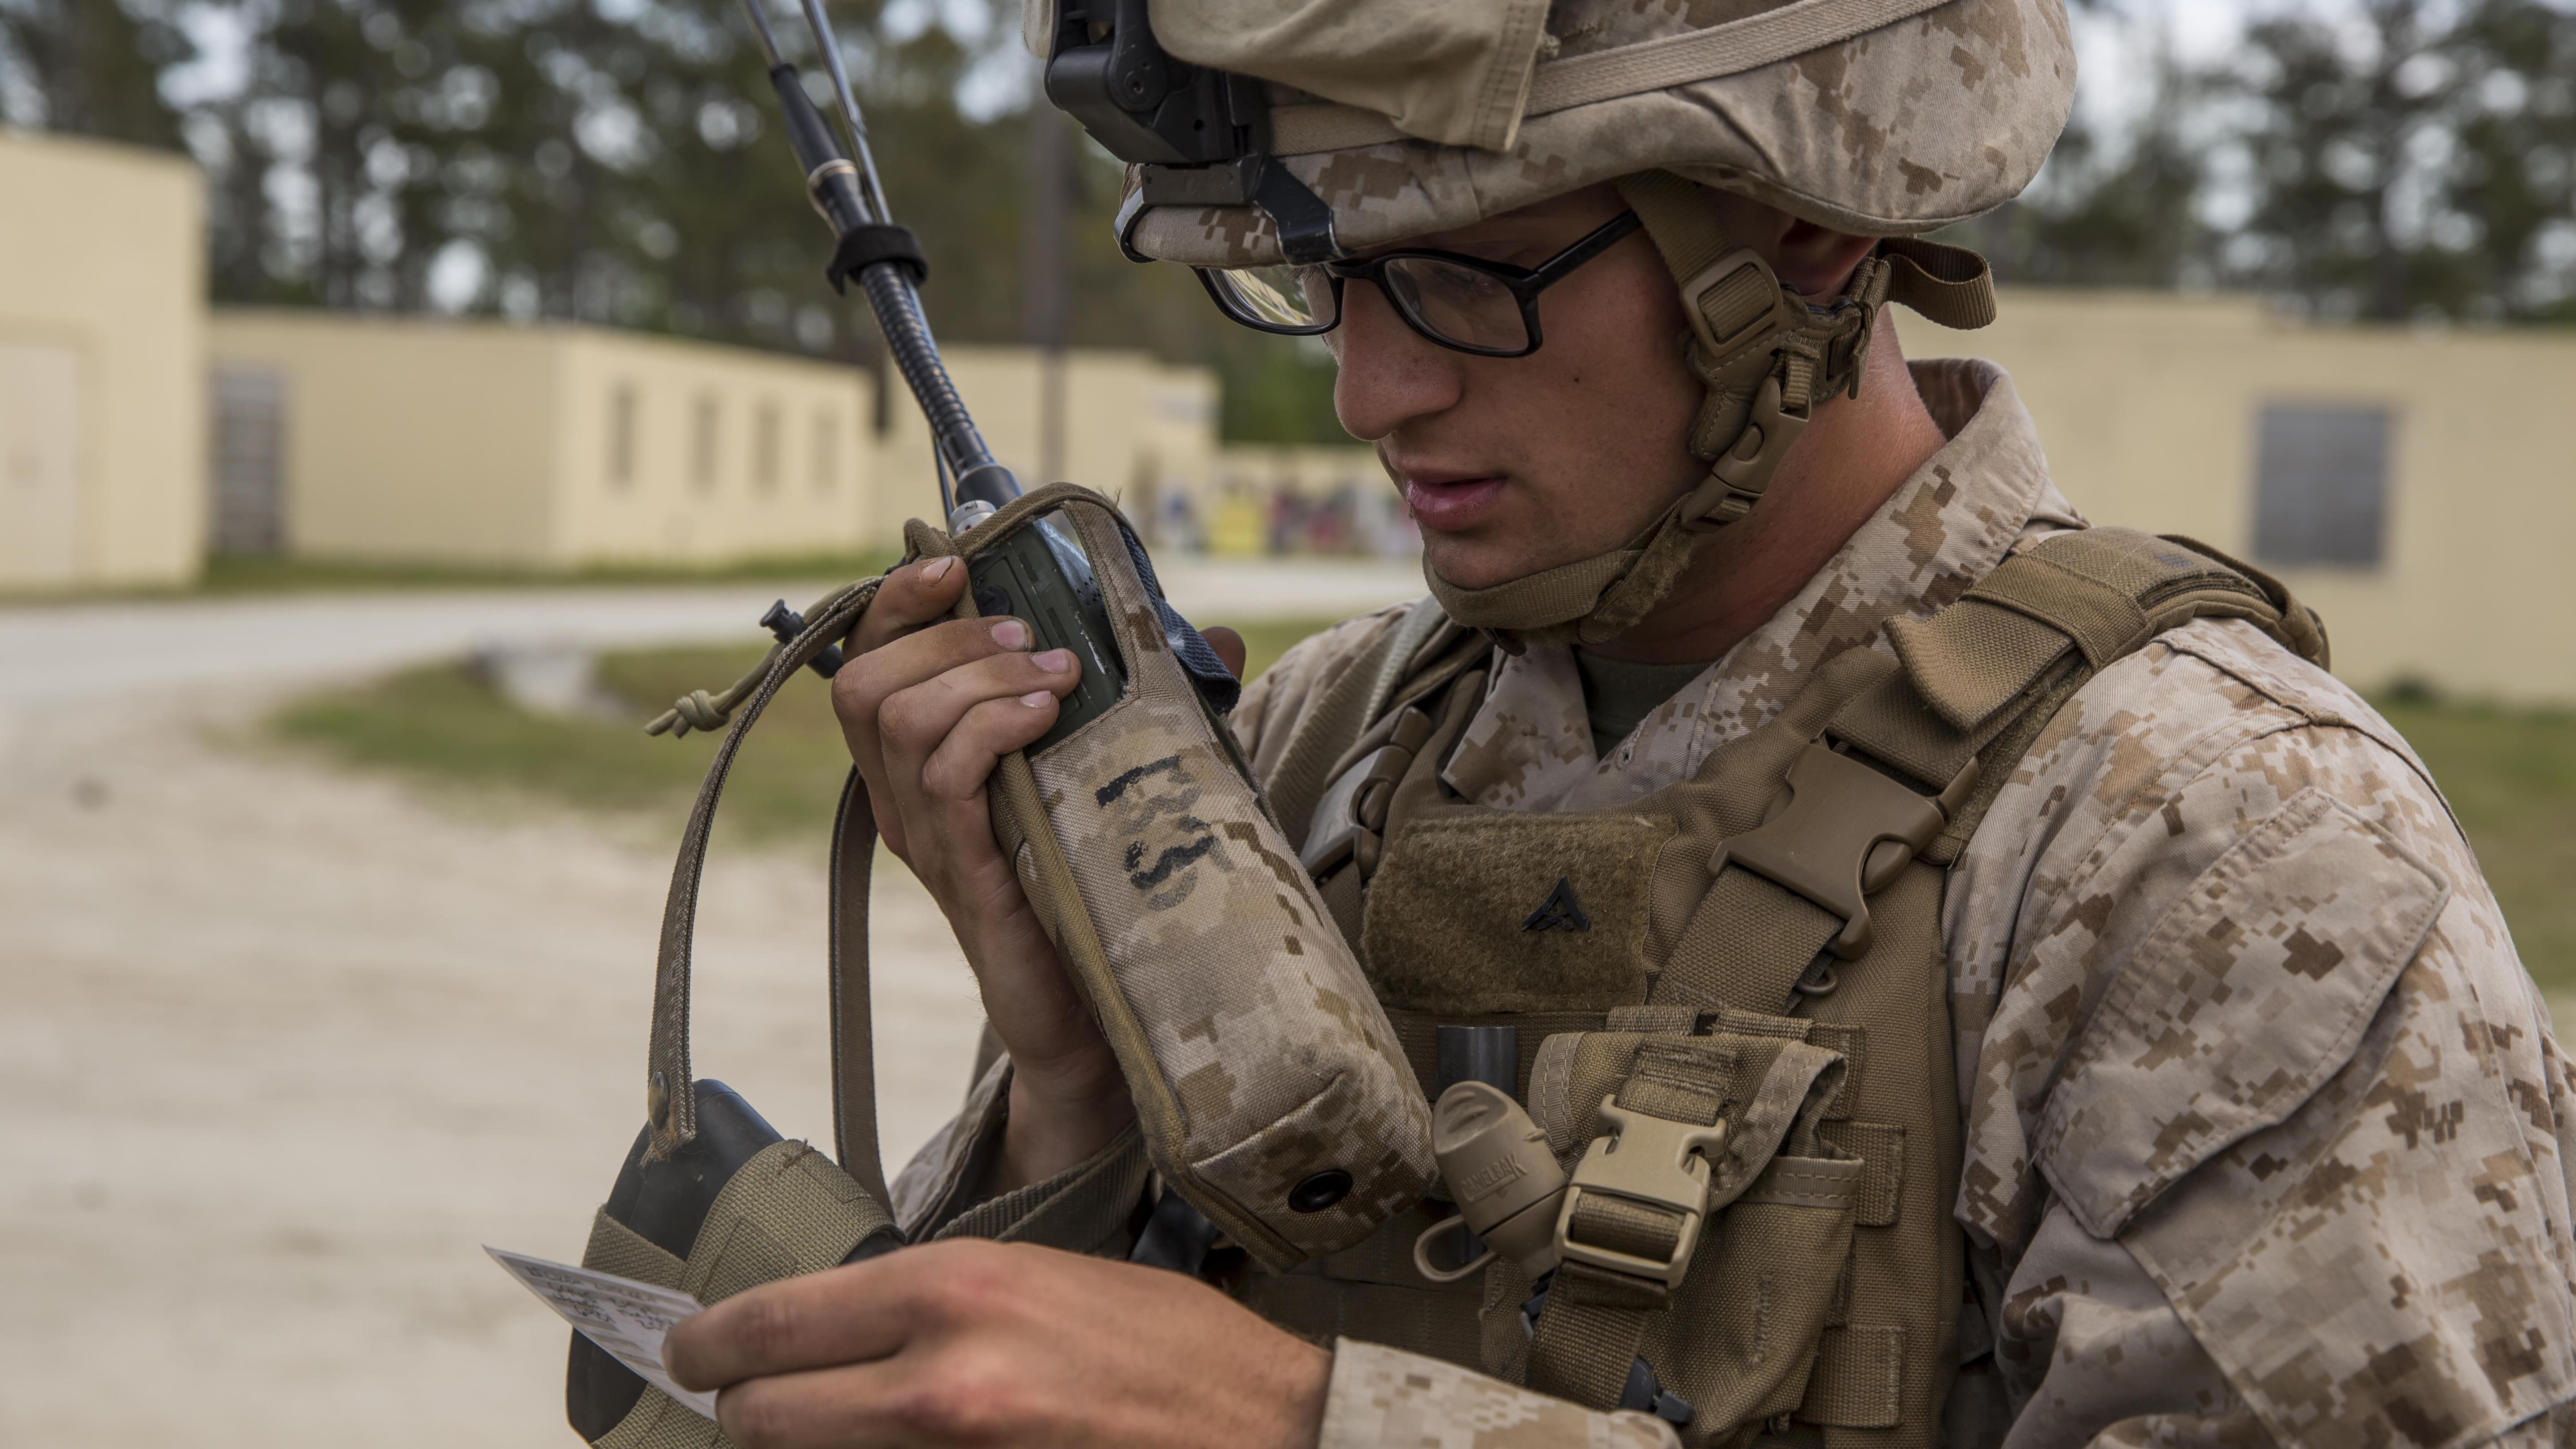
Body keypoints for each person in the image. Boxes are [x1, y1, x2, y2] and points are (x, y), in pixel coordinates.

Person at [663, 0, 2576, 1443]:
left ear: (1802, 229)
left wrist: (1306, 1424)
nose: (1368, 390)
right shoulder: (1323, 743)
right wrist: (1071, 1078)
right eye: (1324, 278)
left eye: (1458, 272)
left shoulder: (2216, 843)